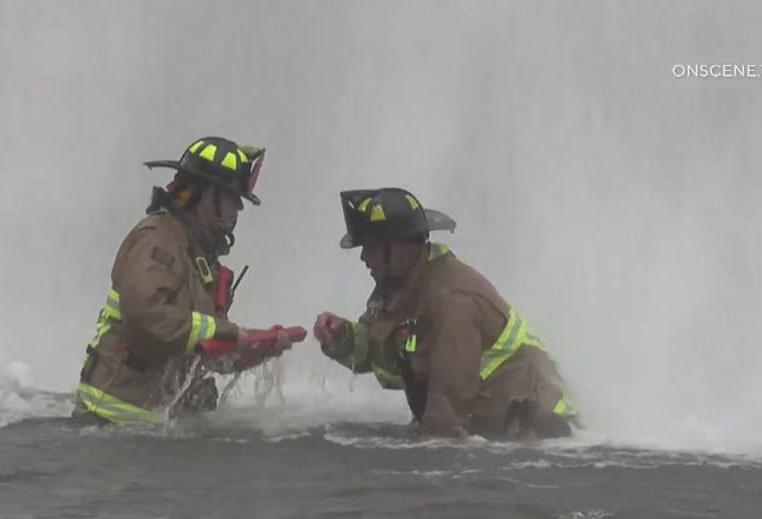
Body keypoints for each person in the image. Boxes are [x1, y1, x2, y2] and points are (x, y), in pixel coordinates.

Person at [313, 187, 580, 440]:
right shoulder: (406, 290)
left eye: (370, 248)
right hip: (500, 430)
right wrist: (343, 336)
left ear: (399, 248)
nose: (363, 259)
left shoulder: (454, 302)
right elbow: (382, 348)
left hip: (540, 430)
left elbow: (446, 417)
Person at [72, 136, 291, 426]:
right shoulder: (158, 240)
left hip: (157, 427)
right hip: (110, 423)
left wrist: (255, 348)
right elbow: (146, 315)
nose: (237, 211)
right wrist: (227, 334)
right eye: (232, 200)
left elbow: (201, 350)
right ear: (205, 194)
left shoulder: (200, 258)